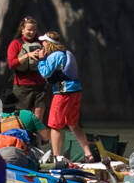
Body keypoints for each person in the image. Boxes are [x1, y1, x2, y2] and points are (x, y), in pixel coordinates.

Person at [36, 32, 95, 162]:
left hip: (63, 93)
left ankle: (56, 157)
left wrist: (41, 60)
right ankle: (88, 154)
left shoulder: (54, 56)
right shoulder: (67, 53)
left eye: (44, 42)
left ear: (49, 43)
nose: (42, 44)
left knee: (55, 125)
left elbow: (45, 73)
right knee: (73, 124)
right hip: (75, 91)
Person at [6, 17, 47, 116]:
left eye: (34, 30)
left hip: (40, 87)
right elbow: (11, 64)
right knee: (22, 119)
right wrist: (28, 55)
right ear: (22, 30)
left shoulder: (41, 44)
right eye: (29, 29)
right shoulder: (15, 44)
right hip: (22, 88)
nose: (32, 32)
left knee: (37, 119)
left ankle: (35, 132)